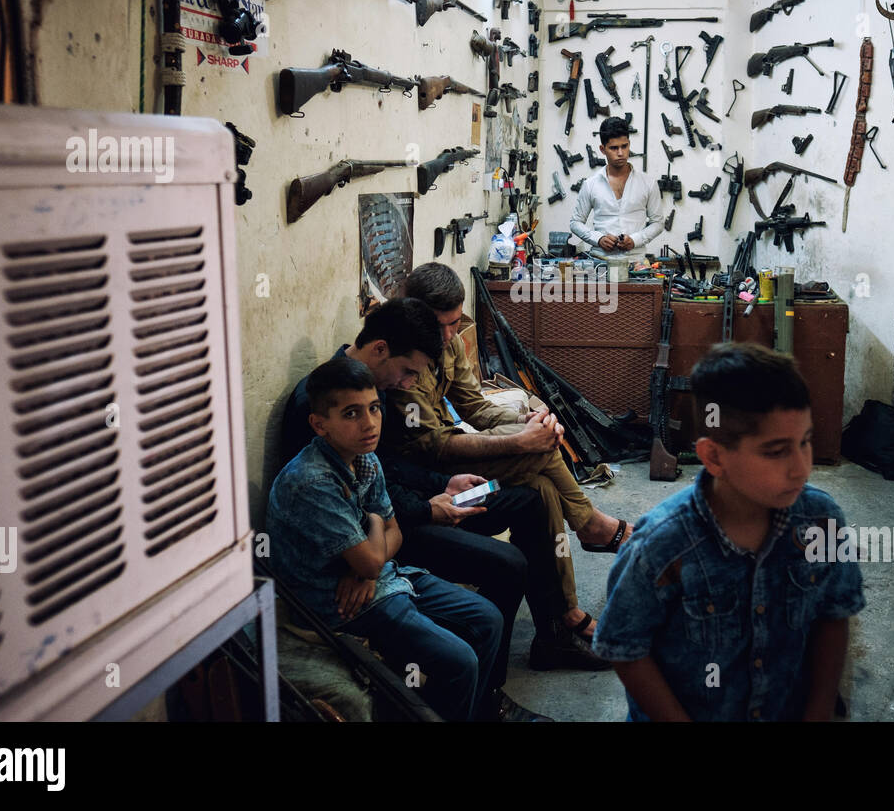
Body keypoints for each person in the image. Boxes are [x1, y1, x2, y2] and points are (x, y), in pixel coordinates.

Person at [280, 301, 607, 721]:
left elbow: (386, 468)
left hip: (407, 506)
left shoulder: (373, 391)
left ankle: (554, 632)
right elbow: (344, 504)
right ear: (380, 349)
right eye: (408, 372)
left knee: (532, 495)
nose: (409, 382)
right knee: (506, 564)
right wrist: (421, 514)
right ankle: (485, 697)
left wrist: (442, 488)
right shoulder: (330, 403)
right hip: (384, 532)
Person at [592, 343, 866, 721]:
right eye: (776, 451)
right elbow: (624, 647)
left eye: (804, 441)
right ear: (714, 457)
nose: (801, 467)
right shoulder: (661, 545)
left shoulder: (821, 521)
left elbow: (835, 614)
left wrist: (819, 708)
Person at [381, 263, 632, 645]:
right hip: (434, 483)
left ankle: (561, 621)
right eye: (439, 325)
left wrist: (526, 417)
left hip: (454, 466)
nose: (448, 336)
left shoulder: (446, 344)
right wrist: (520, 440)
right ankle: (591, 524)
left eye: (454, 324)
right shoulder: (403, 358)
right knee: (537, 449)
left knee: (543, 487)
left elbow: (474, 407)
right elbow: (435, 446)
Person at [266, 355, 502, 722]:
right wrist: (375, 536)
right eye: (351, 414)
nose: (370, 423)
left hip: (378, 581)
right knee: (459, 661)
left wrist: (370, 563)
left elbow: (395, 535)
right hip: (336, 604)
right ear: (319, 424)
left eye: (374, 408)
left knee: (488, 618)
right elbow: (378, 547)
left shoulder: (365, 459)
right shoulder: (311, 481)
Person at [569, 115, 664, 260]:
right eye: (614, 148)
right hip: (600, 262)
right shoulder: (591, 184)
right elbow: (575, 222)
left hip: (635, 264)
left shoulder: (648, 183)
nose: (620, 153)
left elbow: (658, 223)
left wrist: (635, 240)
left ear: (629, 144)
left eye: (624, 146)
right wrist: (598, 239)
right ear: (602, 149)